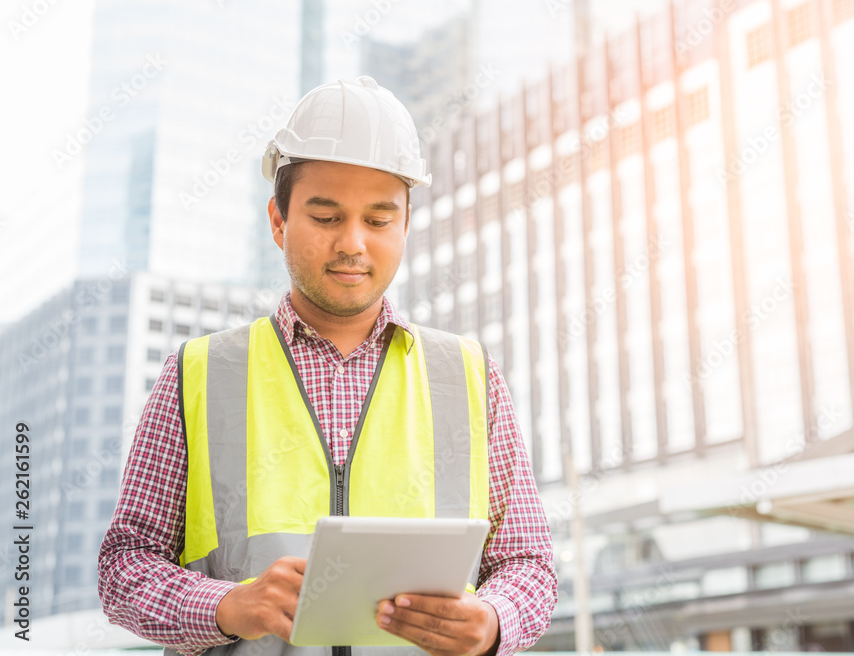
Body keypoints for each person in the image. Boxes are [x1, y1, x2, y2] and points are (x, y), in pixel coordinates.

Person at [98, 76, 558, 656]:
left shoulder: (468, 375)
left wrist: (494, 620)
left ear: (406, 224)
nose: (353, 243)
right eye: (326, 217)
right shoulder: (198, 373)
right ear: (278, 220)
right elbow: (124, 568)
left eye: (379, 219)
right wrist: (226, 607)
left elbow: (529, 565)